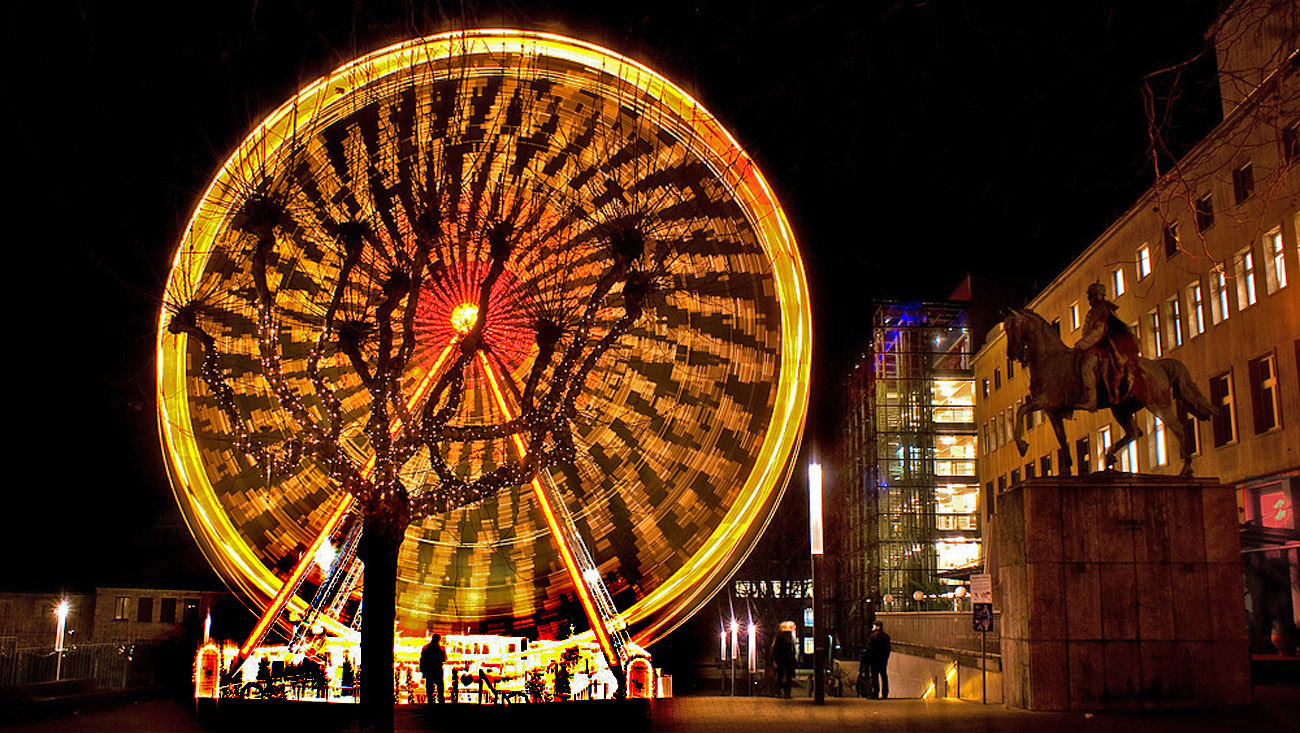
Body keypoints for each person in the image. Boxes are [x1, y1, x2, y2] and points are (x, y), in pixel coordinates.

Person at [1074, 281, 1140, 411]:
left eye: (1091, 295)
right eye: (1089, 296)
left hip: (1103, 349)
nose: (1089, 299)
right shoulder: (1094, 311)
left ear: (1097, 295)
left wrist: (1080, 345)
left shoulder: (1103, 309)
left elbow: (1097, 332)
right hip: (1094, 346)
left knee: (1087, 366)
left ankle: (1090, 399)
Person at [865, 620, 891, 699]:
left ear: (876, 626)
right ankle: (885, 693)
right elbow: (888, 649)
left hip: (874, 659)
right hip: (883, 659)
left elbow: (870, 649)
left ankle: (875, 693)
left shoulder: (872, 637)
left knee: (874, 676)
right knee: (884, 675)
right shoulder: (886, 637)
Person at [771, 620, 797, 699]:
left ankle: (780, 692)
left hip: (782, 659)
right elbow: (792, 650)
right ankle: (786, 692)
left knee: (781, 675)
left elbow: (775, 649)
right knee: (787, 676)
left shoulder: (779, 637)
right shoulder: (789, 638)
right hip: (787, 659)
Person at [420, 634, 447, 704]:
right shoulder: (440, 648)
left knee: (429, 686)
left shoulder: (426, 648)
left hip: (429, 670)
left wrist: (423, 670)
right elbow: (444, 659)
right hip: (437, 669)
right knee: (440, 685)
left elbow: (422, 660)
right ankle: (440, 699)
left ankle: (430, 700)